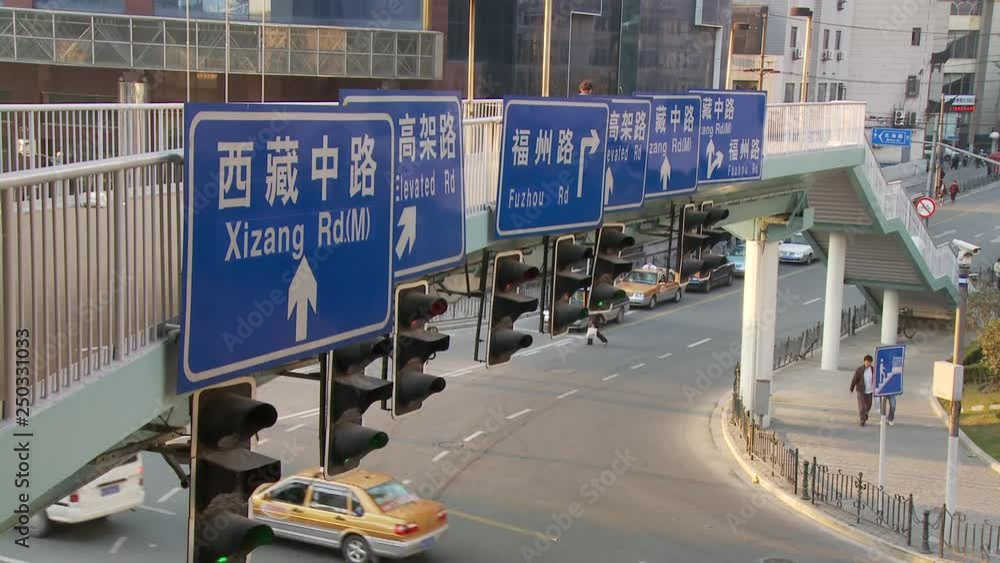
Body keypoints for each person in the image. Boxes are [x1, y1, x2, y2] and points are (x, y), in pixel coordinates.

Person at [850, 354, 876, 426]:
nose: (868, 364)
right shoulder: (860, 370)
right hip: (861, 391)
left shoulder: (873, 370)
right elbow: (854, 379)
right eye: (867, 362)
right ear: (864, 361)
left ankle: (865, 413)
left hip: (870, 391)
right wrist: (851, 389)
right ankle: (862, 420)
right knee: (861, 407)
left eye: (870, 362)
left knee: (869, 405)